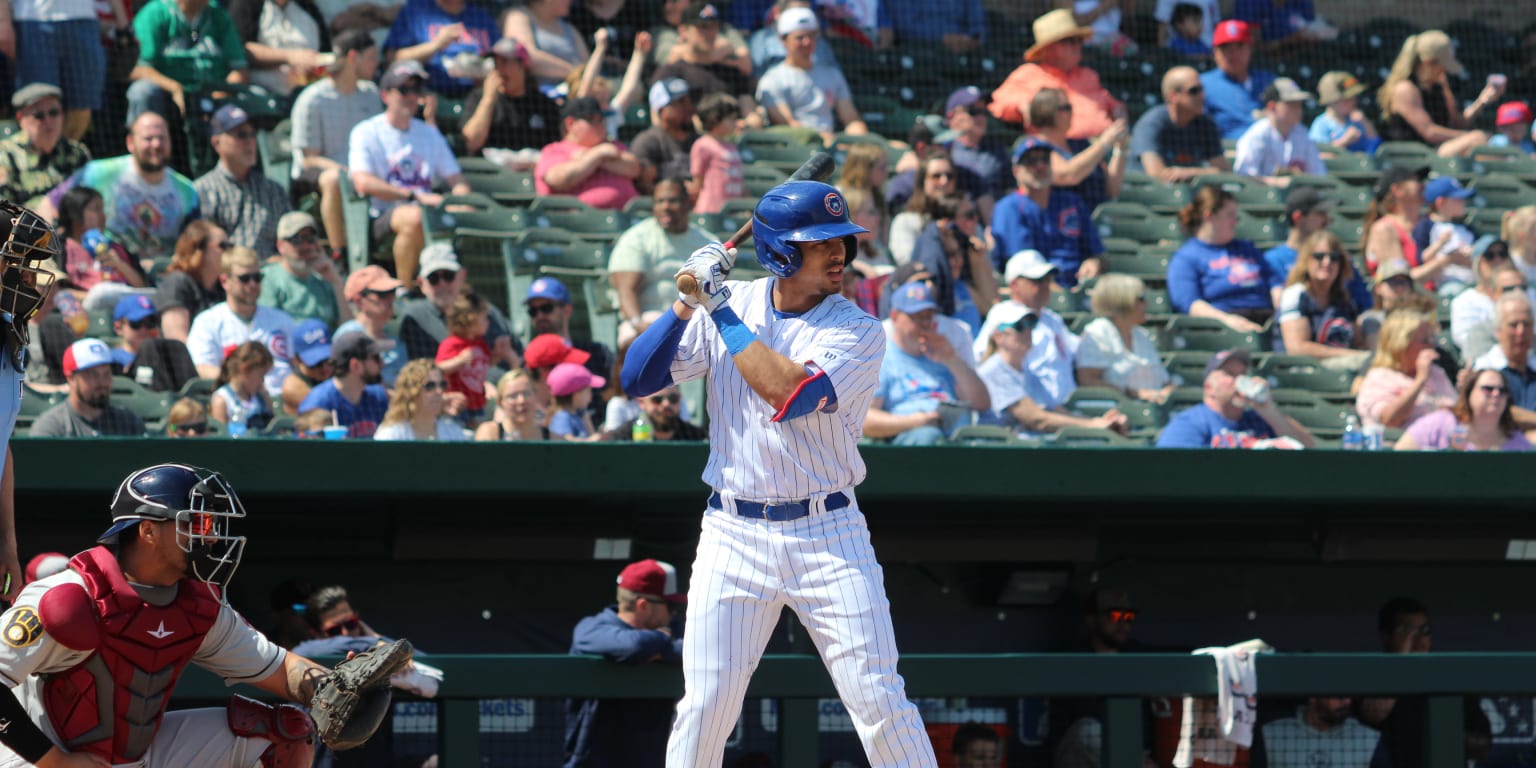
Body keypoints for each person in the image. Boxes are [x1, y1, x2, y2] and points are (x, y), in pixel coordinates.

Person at [619, 180, 941, 767]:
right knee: (707, 703)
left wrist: (715, 306)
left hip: (829, 533)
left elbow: (787, 393)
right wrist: (686, 302)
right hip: (732, 531)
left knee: (877, 698)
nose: (839, 251)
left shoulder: (859, 329)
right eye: (820, 243)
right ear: (780, 252)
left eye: (841, 239)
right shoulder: (732, 301)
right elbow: (638, 378)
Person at [0, 463, 373, 767]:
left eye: (211, 524)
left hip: (131, 757)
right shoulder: (68, 598)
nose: (210, 538)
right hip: (39, 757)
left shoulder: (198, 605)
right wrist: (55, 763)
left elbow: (281, 670)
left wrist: (338, 688)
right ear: (147, 530)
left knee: (286, 732)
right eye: (197, 523)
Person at [348, 60, 471, 286]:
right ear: (385, 95)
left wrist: (460, 201)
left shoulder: (429, 134)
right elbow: (363, 182)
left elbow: (456, 179)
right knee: (414, 217)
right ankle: (404, 289)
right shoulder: (366, 131)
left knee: (464, 215)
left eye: (416, 90)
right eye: (404, 90)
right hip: (381, 214)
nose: (411, 96)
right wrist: (412, 196)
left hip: (428, 209)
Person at [564, 559, 686, 768]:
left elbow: (697, 648)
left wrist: (657, 647)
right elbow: (632, 647)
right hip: (594, 761)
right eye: (670, 605)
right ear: (643, 606)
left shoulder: (672, 628)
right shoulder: (591, 629)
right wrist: (661, 640)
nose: (673, 614)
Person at [0, 201, 61, 597]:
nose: (27, 273)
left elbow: (1, 446)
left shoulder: (11, 332)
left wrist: (7, 541)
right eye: (17, 260)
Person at [46, 112, 200, 265]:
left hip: (163, 277)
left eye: (162, 138)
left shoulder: (188, 192)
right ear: (130, 143)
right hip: (107, 271)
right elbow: (50, 204)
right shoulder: (99, 173)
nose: (156, 144)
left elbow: (196, 245)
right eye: (148, 138)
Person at [1362, 597, 1493, 768]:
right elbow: (1374, 714)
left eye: (1424, 630)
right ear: (1386, 636)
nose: (1418, 639)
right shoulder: (1371, 675)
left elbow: (1484, 746)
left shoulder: (1449, 679)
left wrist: (1447, 738)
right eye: (1407, 631)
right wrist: (1402, 661)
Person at [290, 30, 382, 261]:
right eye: (371, 56)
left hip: (366, 175)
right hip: (319, 177)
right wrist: (347, 173)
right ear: (353, 57)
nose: (376, 63)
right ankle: (340, 254)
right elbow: (309, 159)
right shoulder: (313, 99)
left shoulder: (371, 95)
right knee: (333, 179)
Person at [866, 281, 991, 444]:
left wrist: (952, 359)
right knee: (928, 436)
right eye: (916, 317)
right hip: (909, 440)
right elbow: (865, 420)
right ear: (895, 317)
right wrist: (915, 421)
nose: (925, 323)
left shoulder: (943, 353)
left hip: (956, 436)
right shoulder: (882, 358)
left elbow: (982, 403)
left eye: (928, 316)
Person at [977, 302, 1126, 437]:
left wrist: (1101, 422)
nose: (1027, 332)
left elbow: (1054, 410)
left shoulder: (1027, 371)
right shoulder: (994, 370)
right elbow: (1037, 419)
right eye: (1020, 327)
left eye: (1031, 324)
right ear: (998, 336)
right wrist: (1093, 426)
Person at [989, 9, 1124, 140]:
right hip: (1058, 152)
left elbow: (1111, 103)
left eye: (1079, 40)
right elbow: (1000, 104)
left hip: (1102, 146)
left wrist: (1118, 110)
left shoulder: (1088, 75)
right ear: (1049, 48)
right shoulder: (1029, 74)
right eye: (1071, 41)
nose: (1078, 46)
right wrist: (1024, 105)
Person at [186, 247, 298, 397]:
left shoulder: (282, 320)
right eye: (245, 279)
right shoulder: (207, 322)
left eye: (257, 278)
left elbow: (299, 365)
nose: (253, 284)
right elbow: (202, 367)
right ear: (225, 281)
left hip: (285, 399)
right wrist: (243, 381)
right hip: (238, 401)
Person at [971, 251, 1079, 406]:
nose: (1044, 286)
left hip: (1064, 409)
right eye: (1037, 281)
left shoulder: (1054, 320)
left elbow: (1077, 352)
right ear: (1014, 285)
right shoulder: (1004, 315)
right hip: (1029, 408)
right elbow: (983, 360)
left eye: (1047, 280)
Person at [990, 138, 1102, 286]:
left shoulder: (1071, 201)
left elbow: (1097, 251)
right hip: (1040, 289)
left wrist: (1094, 262)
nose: (1040, 166)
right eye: (1031, 162)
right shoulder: (1009, 207)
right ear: (1016, 171)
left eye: (1045, 160)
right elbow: (1023, 267)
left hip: (1080, 284)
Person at [611, 180, 716, 335]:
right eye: (660, 201)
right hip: (647, 319)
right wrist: (638, 324)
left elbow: (720, 287)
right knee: (630, 339)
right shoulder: (636, 238)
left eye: (672, 201)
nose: (665, 207)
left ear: (688, 203)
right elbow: (626, 290)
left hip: (696, 320)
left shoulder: (707, 242)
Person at [1155, 347, 1315, 448]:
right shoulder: (1190, 422)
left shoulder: (1259, 419)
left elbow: (1307, 447)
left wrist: (1268, 409)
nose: (1239, 381)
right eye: (1230, 374)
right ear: (1208, 387)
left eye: (1243, 374)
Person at [1168, 186, 1277, 332]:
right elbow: (1189, 303)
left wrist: (1282, 314)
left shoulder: (1248, 249)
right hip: (1224, 324)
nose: (1235, 221)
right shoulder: (1186, 257)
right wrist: (1226, 320)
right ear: (1209, 216)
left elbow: (1275, 283)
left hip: (1268, 318)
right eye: (1230, 215)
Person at [755, 6, 866, 144]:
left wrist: (857, 136)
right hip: (798, 150)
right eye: (799, 37)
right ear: (783, 40)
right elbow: (789, 124)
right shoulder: (772, 79)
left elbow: (851, 118)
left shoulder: (832, 74)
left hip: (831, 147)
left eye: (811, 36)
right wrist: (825, 140)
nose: (807, 42)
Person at [1379, 30, 1499, 158]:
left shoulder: (1440, 84)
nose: (1445, 70)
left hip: (1442, 150)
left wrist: (1482, 101)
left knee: (1492, 143)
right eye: (1442, 65)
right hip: (1415, 158)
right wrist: (1470, 136)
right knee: (1477, 139)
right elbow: (1430, 133)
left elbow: (1457, 123)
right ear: (1428, 63)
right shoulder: (1405, 89)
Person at [397, 243, 521, 367]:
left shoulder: (488, 312)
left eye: (448, 276)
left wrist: (508, 356)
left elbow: (521, 360)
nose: (442, 284)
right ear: (421, 283)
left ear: (462, 276)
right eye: (433, 278)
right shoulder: (414, 318)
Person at [194, 105, 291, 260]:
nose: (250, 142)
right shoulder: (202, 190)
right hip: (227, 277)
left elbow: (290, 239)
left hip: (272, 275)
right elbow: (205, 249)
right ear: (217, 143)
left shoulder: (274, 190)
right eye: (241, 135)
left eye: (253, 135)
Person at [127, 0, 249, 121]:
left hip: (213, 97)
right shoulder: (155, 13)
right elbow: (138, 69)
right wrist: (174, 88)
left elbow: (239, 70)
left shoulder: (219, 16)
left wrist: (218, 95)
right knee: (142, 91)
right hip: (168, 97)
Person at [1264, 186, 1371, 312]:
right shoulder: (1273, 260)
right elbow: (1281, 307)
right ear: (1298, 217)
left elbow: (1364, 303)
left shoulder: (1339, 257)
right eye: (1320, 214)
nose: (1327, 220)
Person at [1076, 274, 1175, 403]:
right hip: (1117, 411)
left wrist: (1168, 391)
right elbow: (1088, 381)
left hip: (1154, 408)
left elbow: (1165, 381)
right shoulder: (1097, 333)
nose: (1146, 303)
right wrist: (1133, 393)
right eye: (1141, 298)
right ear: (1121, 301)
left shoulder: (1141, 335)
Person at [535, 96, 643, 212]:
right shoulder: (555, 150)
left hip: (626, 217)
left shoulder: (612, 145)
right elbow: (559, 180)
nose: (600, 125)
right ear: (570, 124)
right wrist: (597, 155)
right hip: (577, 222)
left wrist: (593, 157)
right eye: (592, 120)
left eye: (601, 120)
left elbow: (634, 168)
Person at [651, 2, 756, 121]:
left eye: (714, 26)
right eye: (703, 27)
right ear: (684, 31)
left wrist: (744, 124)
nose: (710, 33)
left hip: (729, 136)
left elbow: (751, 114)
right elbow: (659, 122)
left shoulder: (730, 71)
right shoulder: (671, 72)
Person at [52, 186, 152, 311]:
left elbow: (143, 288)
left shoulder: (116, 248)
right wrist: (97, 297)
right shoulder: (60, 248)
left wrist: (118, 264)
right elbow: (57, 292)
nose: (103, 216)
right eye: (96, 209)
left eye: (102, 209)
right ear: (75, 214)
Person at [1276, 231, 1366, 368]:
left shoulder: (1344, 298)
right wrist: (1350, 355)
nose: (1327, 262)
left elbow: (1358, 342)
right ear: (1306, 260)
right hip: (1301, 370)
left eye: (1334, 257)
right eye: (1319, 256)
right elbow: (1296, 348)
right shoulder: (1294, 294)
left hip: (1341, 368)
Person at [1030, 87, 1128, 213]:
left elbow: (1112, 190)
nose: (1072, 112)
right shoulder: (1034, 147)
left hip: (1096, 220)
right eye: (1066, 108)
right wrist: (1104, 142)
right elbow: (1068, 175)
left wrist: (1120, 149)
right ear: (1047, 112)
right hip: (1063, 220)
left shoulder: (1081, 145)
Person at [1355, 309, 1457, 429]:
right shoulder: (1378, 377)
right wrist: (1420, 380)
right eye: (1425, 340)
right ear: (1401, 344)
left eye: (1432, 339)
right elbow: (1389, 420)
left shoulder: (1436, 373)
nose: (1432, 345)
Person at [0, 85, 91, 216]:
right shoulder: (5, 155)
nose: (48, 121)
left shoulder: (77, 153)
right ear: (21, 119)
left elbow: (90, 198)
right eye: (39, 115)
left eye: (54, 113)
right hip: (23, 230)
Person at [1364, 165, 1462, 286]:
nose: (1423, 185)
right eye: (1416, 180)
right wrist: (1446, 260)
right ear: (1397, 190)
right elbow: (1400, 281)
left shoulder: (1428, 224)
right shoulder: (1384, 229)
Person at [462, 38, 563, 155]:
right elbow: (471, 143)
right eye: (495, 63)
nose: (499, 70)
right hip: (490, 169)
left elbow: (557, 148)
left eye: (504, 62)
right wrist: (488, 99)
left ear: (522, 66)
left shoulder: (543, 104)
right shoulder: (479, 97)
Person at [29, 338, 149, 437]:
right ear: (71, 378)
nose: (102, 382)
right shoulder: (51, 426)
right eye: (93, 374)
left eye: (107, 373)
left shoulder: (128, 422)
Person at [1394, 366, 1533, 452]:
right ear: (1469, 393)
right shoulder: (1440, 423)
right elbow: (1400, 456)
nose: (1496, 394)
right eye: (1488, 389)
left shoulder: (1518, 443)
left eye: (1502, 391)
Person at [1129, 65, 1229, 181]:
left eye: (1202, 89)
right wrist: (1203, 173)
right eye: (1194, 91)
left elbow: (1224, 171)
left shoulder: (1205, 124)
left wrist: (1191, 173)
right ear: (1174, 96)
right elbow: (1155, 174)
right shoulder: (1151, 124)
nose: (1202, 96)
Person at [380, 0, 495, 98]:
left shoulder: (481, 16)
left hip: (477, 97)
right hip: (428, 97)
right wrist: (435, 45)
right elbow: (392, 58)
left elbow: (499, 58)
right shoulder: (417, 10)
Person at [259, 212, 347, 328]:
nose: (306, 246)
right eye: (297, 240)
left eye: (311, 239)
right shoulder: (269, 279)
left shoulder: (324, 279)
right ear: (280, 245)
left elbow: (347, 327)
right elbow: (268, 328)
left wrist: (335, 281)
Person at [298, 330, 390, 437]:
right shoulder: (317, 404)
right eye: (376, 358)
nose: (382, 364)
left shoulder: (378, 396)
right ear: (355, 365)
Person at [1233, 78, 1326, 183]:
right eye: (1291, 105)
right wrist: (1277, 182)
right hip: (1264, 195)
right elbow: (1245, 175)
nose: (1298, 110)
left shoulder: (1302, 133)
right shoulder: (1257, 135)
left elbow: (1319, 173)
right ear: (1272, 107)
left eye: (1299, 105)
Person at [228, 0, 328, 97]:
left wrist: (314, 67)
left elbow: (326, 53)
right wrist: (291, 57)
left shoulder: (309, 8)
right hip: (262, 95)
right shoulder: (246, 4)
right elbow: (241, 50)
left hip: (306, 93)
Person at [1199, 20, 1276, 140]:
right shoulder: (1202, 84)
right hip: (1225, 151)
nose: (1233, 54)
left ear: (1250, 49)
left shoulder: (1268, 81)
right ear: (1215, 52)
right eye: (1226, 48)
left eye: (1239, 46)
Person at [155, 221, 229, 343]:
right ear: (199, 249)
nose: (229, 252)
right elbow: (177, 340)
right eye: (223, 246)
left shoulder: (222, 287)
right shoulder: (177, 283)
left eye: (230, 246)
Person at [1252, 698, 1379, 768]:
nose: (1347, 701)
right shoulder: (1272, 734)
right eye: (1339, 695)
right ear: (1313, 697)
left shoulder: (1368, 739)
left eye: (1348, 695)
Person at [335, 265, 405, 386]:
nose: (390, 298)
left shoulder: (393, 334)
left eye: (392, 292)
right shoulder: (348, 336)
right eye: (382, 294)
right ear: (358, 300)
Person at [1472, 291, 1536, 423]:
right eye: (1513, 325)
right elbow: (1492, 411)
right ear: (1498, 330)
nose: (1521, 332)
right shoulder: (1485, 369)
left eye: (1526, 324)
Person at [1450, 243, 1519, 362]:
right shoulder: (1464, 301)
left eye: (1503, 254)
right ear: (1477, 263)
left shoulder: (1527, 292)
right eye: (1489, 256)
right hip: (1486, 363)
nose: (1498, 260)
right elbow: (1468, 342)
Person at [1410, 176, 1479, 294]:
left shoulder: (1466, 228)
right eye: (1457, 199)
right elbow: (1421, 259)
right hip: (1445, 285)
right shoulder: (1425, 227)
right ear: (1440, 202)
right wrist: (1449, 258)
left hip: (1472, 281)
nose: (1463, 203)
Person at [502, 0, 588, 89]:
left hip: (576, 91)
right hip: (539, 95)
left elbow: (587, 65)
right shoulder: (517, 16)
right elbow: (525, 55)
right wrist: (574, 73)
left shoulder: (570, 29)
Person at [376, 358, 468, 440]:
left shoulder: (454, 433)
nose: (439, 391)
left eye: (442, 385)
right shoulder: (392, 434)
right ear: (411, 392)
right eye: (430, 386)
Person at [633, 78, 699, 193]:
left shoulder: (700, 141)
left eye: (690, 101)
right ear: (662, 110)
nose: (689, 107)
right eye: (681, 102)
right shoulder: (648, 141)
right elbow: (646, 186)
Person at [435, 290, 492, 420]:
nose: (488, 322)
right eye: (484, 318)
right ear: (470, 319)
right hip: (459, 406)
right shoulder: (452, 344)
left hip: (478, 404)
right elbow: (438, 369)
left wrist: (501, 354)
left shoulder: (480, 343)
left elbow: (486, 363)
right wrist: (459, 360)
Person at [689, 94, 744, 214]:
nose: (735, 123)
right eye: (730, 118)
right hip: (710, 209)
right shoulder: (703, 145)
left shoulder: (732, 146)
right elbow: (698, 182)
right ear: (715, 119)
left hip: (732, 209)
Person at [211, 340, 276, 433]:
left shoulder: (262, 397)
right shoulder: (222, 400)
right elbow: (220, 439)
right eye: (260, 376)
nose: (262, 382)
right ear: (244, 370)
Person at [1309, 72, 1379, 155]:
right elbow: (1320, 155)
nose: (1353, 101)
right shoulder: (1321, 124)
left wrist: (1366, 123)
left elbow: (1375, 145)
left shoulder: (1357, 121)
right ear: (1331, 101)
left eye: (1354, 97)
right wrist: (1345, 141)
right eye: (1347, 99)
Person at [474, 368, 547, 440]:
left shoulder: (553, 438)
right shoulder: (490, 433)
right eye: (513, 396)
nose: (521, 401)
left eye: (526, 394)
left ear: (536, 396)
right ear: (500, 403)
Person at [280, 318, 334, 414]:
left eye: (328, 360)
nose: (325, 368)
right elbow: (323, 411)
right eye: (318, 363)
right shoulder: (293, 386)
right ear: (298, 359)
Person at [617, 385, 705, 441]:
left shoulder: (698, 437)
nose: (666, 404)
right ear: (641, 402)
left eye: (673, 398)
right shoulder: (623, 436)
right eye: (657, 400)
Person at [547, 361, 605, 441]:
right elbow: (565, 442)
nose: (591, 395)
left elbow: (592, 437)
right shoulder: (562, 417)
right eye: (589, 390)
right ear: (577, 394)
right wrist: (590, 441)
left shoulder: (580, 415)